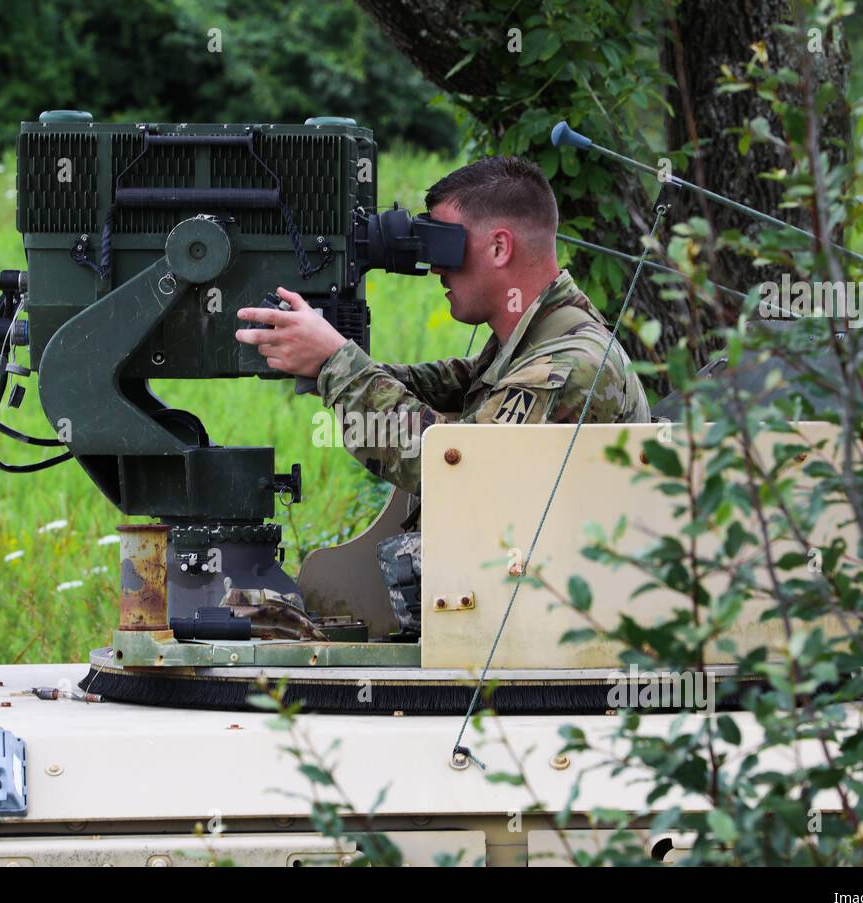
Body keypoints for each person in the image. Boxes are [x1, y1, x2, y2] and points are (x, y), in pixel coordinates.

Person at [236, 155, 651, 635]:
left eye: (447, 245)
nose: (435, 267)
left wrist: (336, 365)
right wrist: (327, 358)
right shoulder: (536, 340)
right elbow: (453, 382)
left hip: (545, 640)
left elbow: (456, 470)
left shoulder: (568, 367)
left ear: (499, 247)